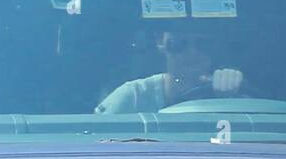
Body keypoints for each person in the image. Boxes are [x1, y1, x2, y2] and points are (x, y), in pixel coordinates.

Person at [96, 28, 244, 114]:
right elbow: (95, 141)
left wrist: (229, 100)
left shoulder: (229, 96)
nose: (192, 52)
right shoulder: (133, 96)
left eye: (202, 43)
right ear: (161, 43)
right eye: (179, 44)